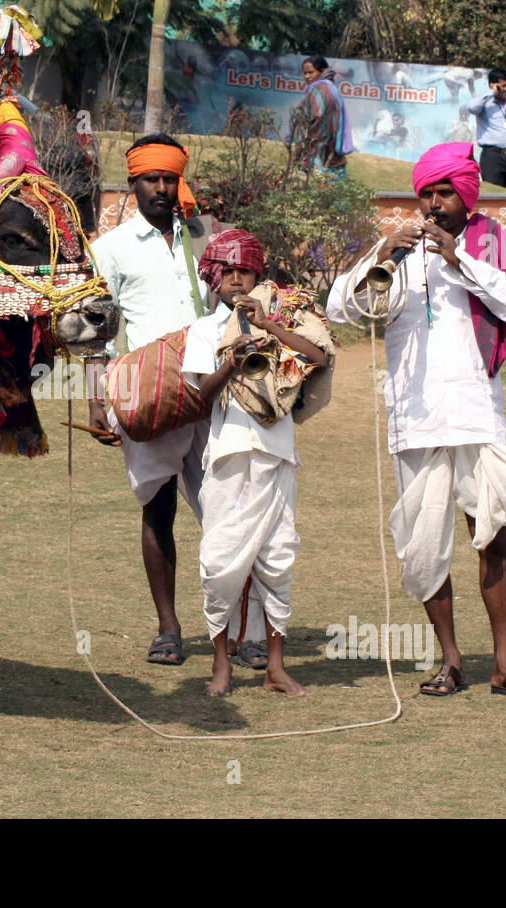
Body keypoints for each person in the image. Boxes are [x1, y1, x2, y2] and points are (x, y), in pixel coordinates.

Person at [325, 141, 506, 701]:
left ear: (466, 193)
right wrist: (381, 253)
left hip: (477, 414)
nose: (434, 202)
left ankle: (504, 664)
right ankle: (451, 661)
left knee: (493, 536)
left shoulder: (497, 243)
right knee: (426, 547)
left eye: (445, 191)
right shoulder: (397, 249)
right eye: (426, 191)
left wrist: (460, 259)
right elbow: (339, 310)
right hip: (415, 418)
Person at [86, 135, 270, 668]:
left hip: (218, 389)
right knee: (158, 508)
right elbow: (98, 328)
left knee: (232, 511)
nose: (162, 189)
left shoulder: (206, 239)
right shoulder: (113, 247)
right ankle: (169, 629)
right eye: (152, 179)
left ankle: (247, 632)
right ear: (135, 182)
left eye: (170, 179)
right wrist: (99, 400)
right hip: (151, 394)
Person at [181, 232, 328, 697]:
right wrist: (231, 361)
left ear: (258, 275)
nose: (236, 279)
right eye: (227, 271)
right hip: (228, 455)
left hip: (277, 453)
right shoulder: (205, 331)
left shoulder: (278, 318)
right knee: (220, 562)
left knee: (278, 557)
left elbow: (318, 357)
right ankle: (221, 664)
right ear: (213, 276)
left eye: (245, 270)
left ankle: (276, 668)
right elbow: (199, 397)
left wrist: (270, 327)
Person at [292, 55, 355, 176]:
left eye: (311, 72)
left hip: (318, 156)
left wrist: (298, 153)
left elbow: (308, 120)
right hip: (335, 156)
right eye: (304, 73)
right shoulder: (331, 88)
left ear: (323, 71)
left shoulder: (318, 90)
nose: (307, 77)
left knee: (316, 191)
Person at [467, 68, 506, 190]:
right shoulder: (484, 104)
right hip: (493, 158)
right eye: (503, 86)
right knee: (495, 198)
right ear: (492, 85)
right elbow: (471, 108)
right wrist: (490, 93)